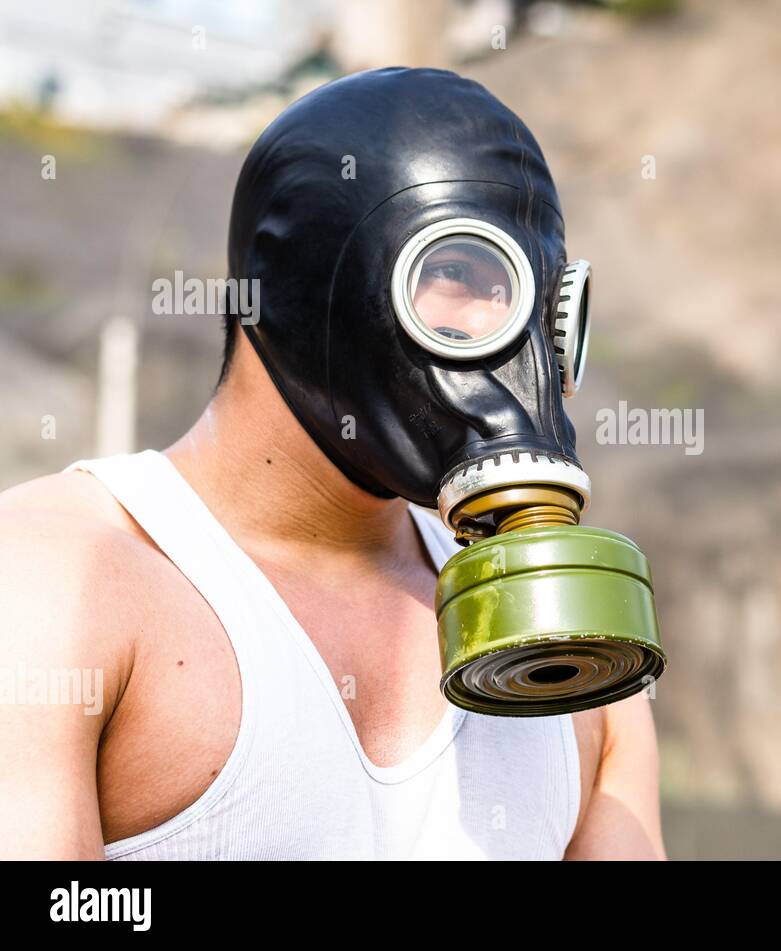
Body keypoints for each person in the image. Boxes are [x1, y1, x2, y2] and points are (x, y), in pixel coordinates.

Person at [0, 68, 666, 860]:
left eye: (540, 297)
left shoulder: (568, 662)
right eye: (456, 273)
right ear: (292, 283)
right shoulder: (52, 584)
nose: (516, 343)